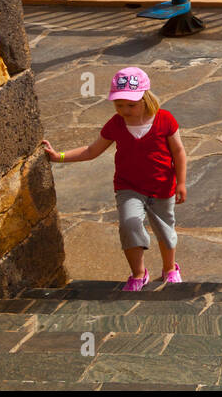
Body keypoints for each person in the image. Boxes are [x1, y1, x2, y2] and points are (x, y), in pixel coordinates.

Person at [42, 67, 187, 291]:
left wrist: (181, 182)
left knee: (165, 230)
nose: (125, 110)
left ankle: (170, 268)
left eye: (131, 104)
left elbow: (178, 152)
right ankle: (138, 273)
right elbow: (91, 151)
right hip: (128, 187)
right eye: (119, 105)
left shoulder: (165, 120)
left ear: (145, 97)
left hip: (161, 187)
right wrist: (58, 157)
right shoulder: (116, 124)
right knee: (129, 224)